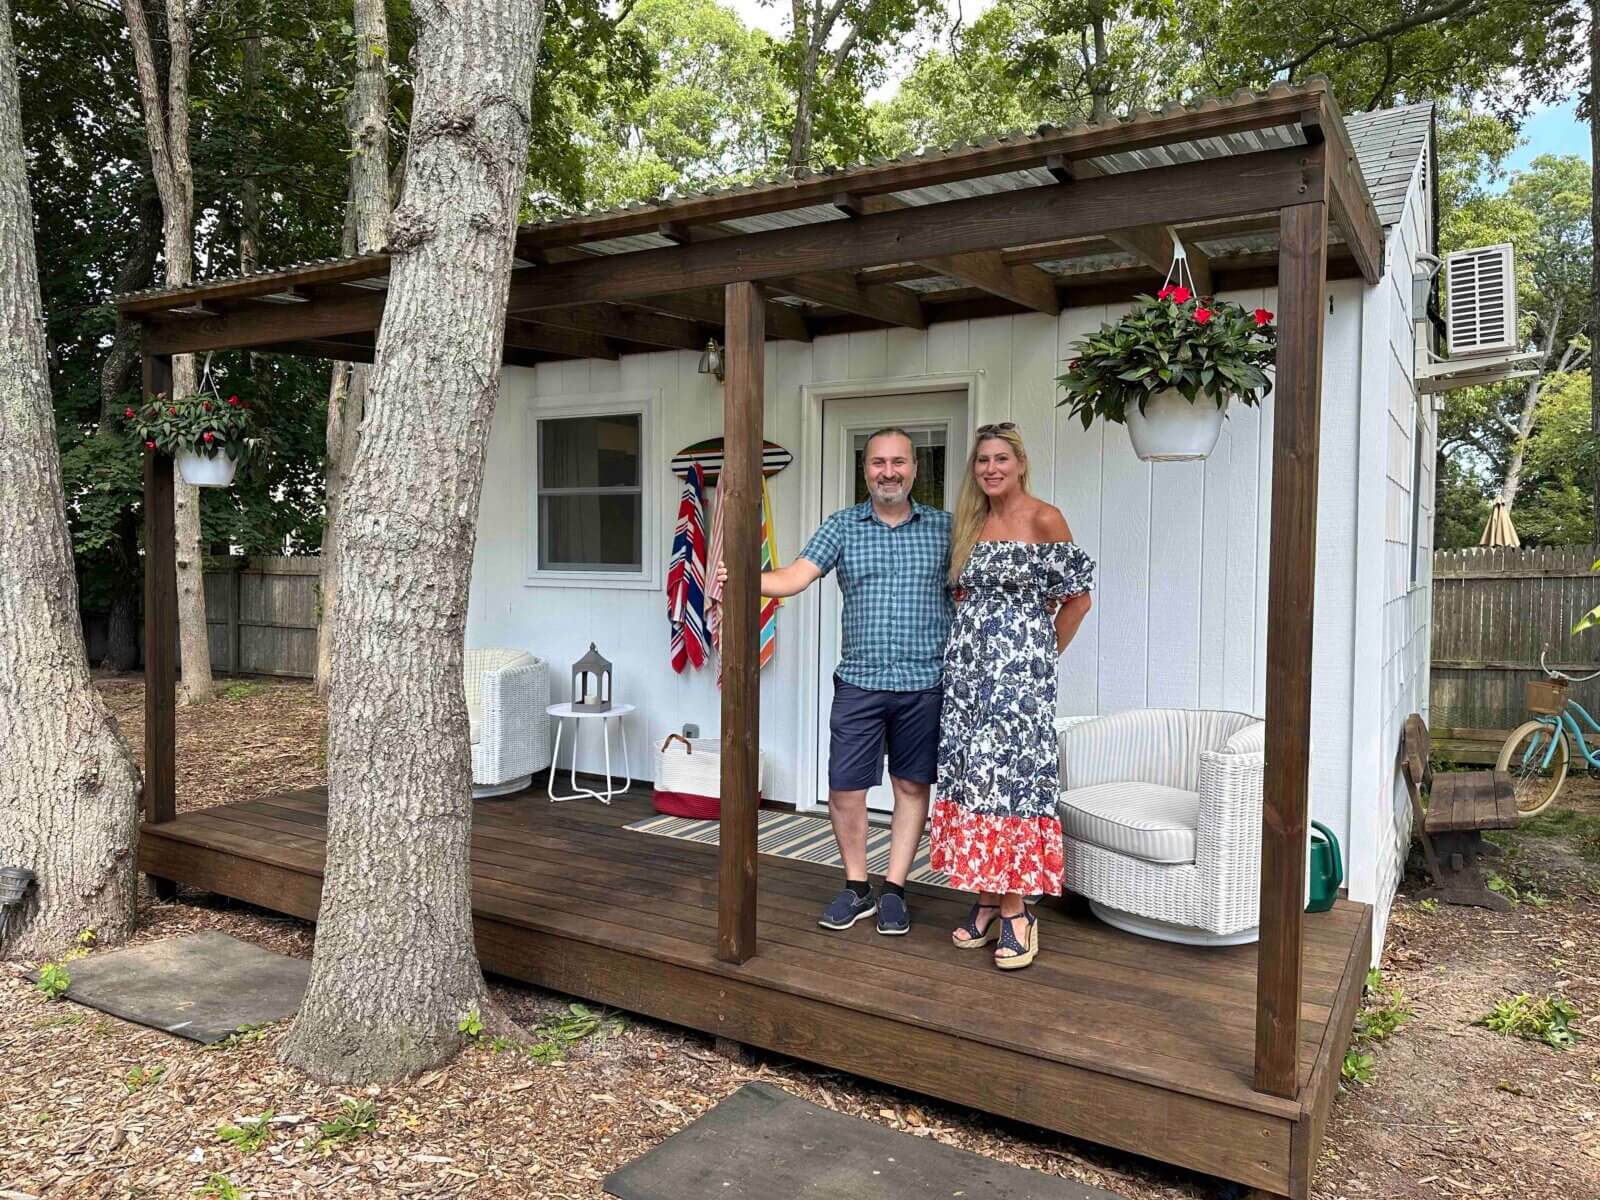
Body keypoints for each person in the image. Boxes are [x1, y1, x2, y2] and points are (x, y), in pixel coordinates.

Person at [717, 428, 951, 935]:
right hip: (860, 682)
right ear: (865, 470)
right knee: (845, 788)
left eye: (898, 462)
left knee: (911, 785)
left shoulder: (946, 529)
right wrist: (742, 578)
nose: (888, 472)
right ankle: (857, 887)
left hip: (924, 683)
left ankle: (895, 889)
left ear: (914, 469)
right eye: (878, 463)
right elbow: (795, 577)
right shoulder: (842, 526)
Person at [931, 423, 1093, 969]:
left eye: (1001, 458)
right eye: (982, 460)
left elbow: (1077, 600)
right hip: (967, 679)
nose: (991, 468)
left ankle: (1017, 910)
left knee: (1010, 784)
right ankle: (985, 899)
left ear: (1021, 463)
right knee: (974, 778)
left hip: (1019, 683)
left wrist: (1039, 659)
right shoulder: (970, 523)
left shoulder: (1045, 519)